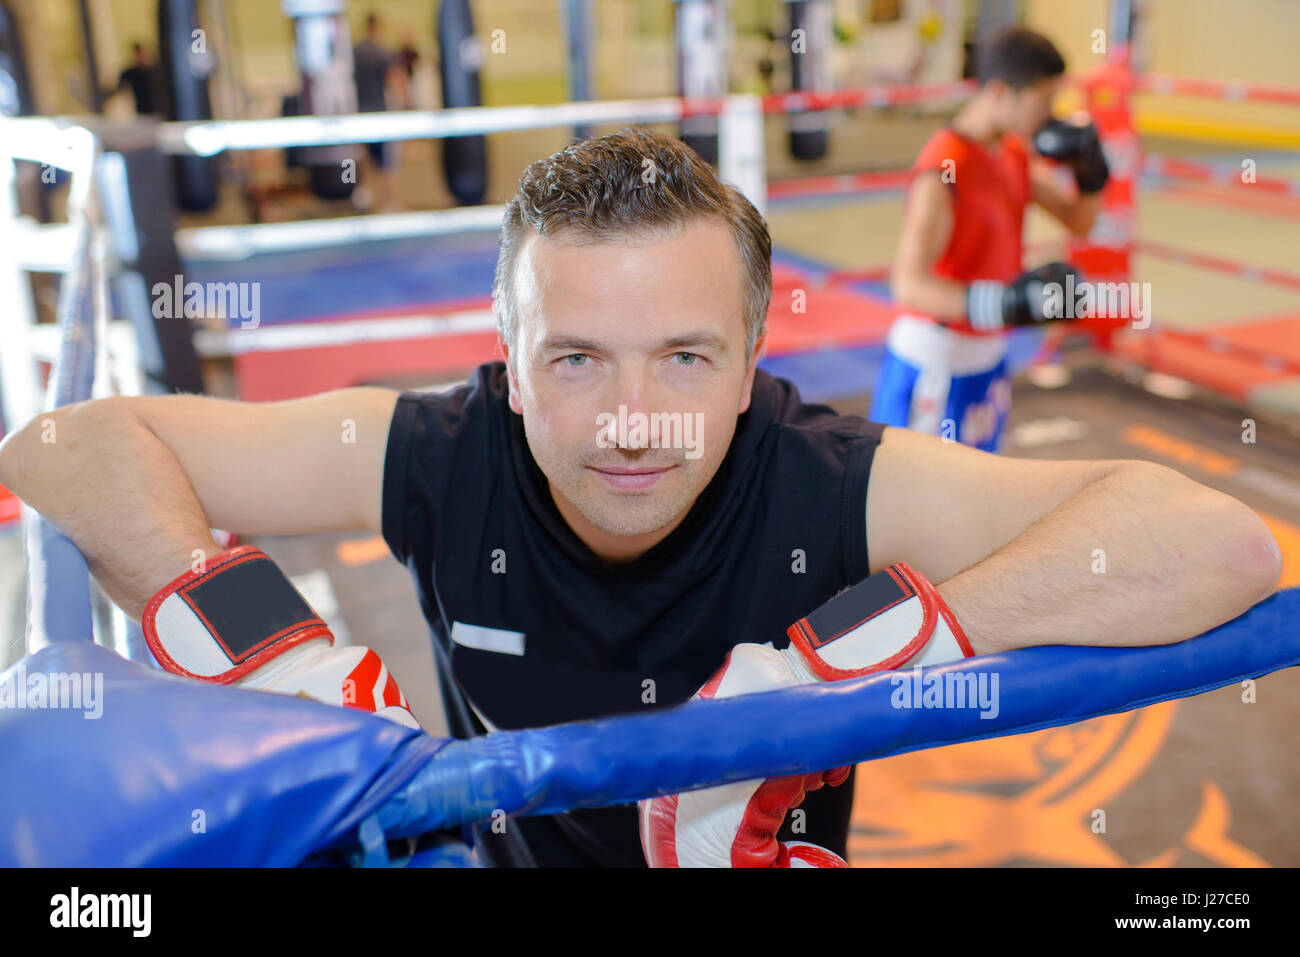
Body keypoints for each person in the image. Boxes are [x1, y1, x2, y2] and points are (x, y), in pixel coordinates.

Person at [0, 129, 1279, 867]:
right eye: (575, 361)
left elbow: (1207, 539)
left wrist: (819, 678)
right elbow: (67, 439)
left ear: (751, 362)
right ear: (508, 364)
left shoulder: (830, 482)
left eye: (683, 355)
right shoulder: (444, 449)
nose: (631, 423)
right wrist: (260, 658)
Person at [870, 27, 1110, 452]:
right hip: (935, 362)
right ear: (1001, 92)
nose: (1049, 114)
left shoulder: (1013, 153)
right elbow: (907, 284)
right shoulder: (943, 169)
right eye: (1043, 102)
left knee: (976, 497)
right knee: (919, 506)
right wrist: (1003, 303)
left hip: (988, 356)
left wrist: (1089, 172)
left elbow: (1079, 221)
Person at [352, 12, 409, 211]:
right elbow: (394, 79)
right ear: (378, 27)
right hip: (379, 114)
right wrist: (406, 104)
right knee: (386, 163)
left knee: (364, 158)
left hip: (359, 113)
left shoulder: (354, 52)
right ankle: (389, 202)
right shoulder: (382, 52)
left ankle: (362, 197)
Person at [114, 41, 159, 116]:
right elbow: (119, 87)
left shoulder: (154, 71)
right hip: (141, 112)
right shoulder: (131, 73)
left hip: (157, 110)